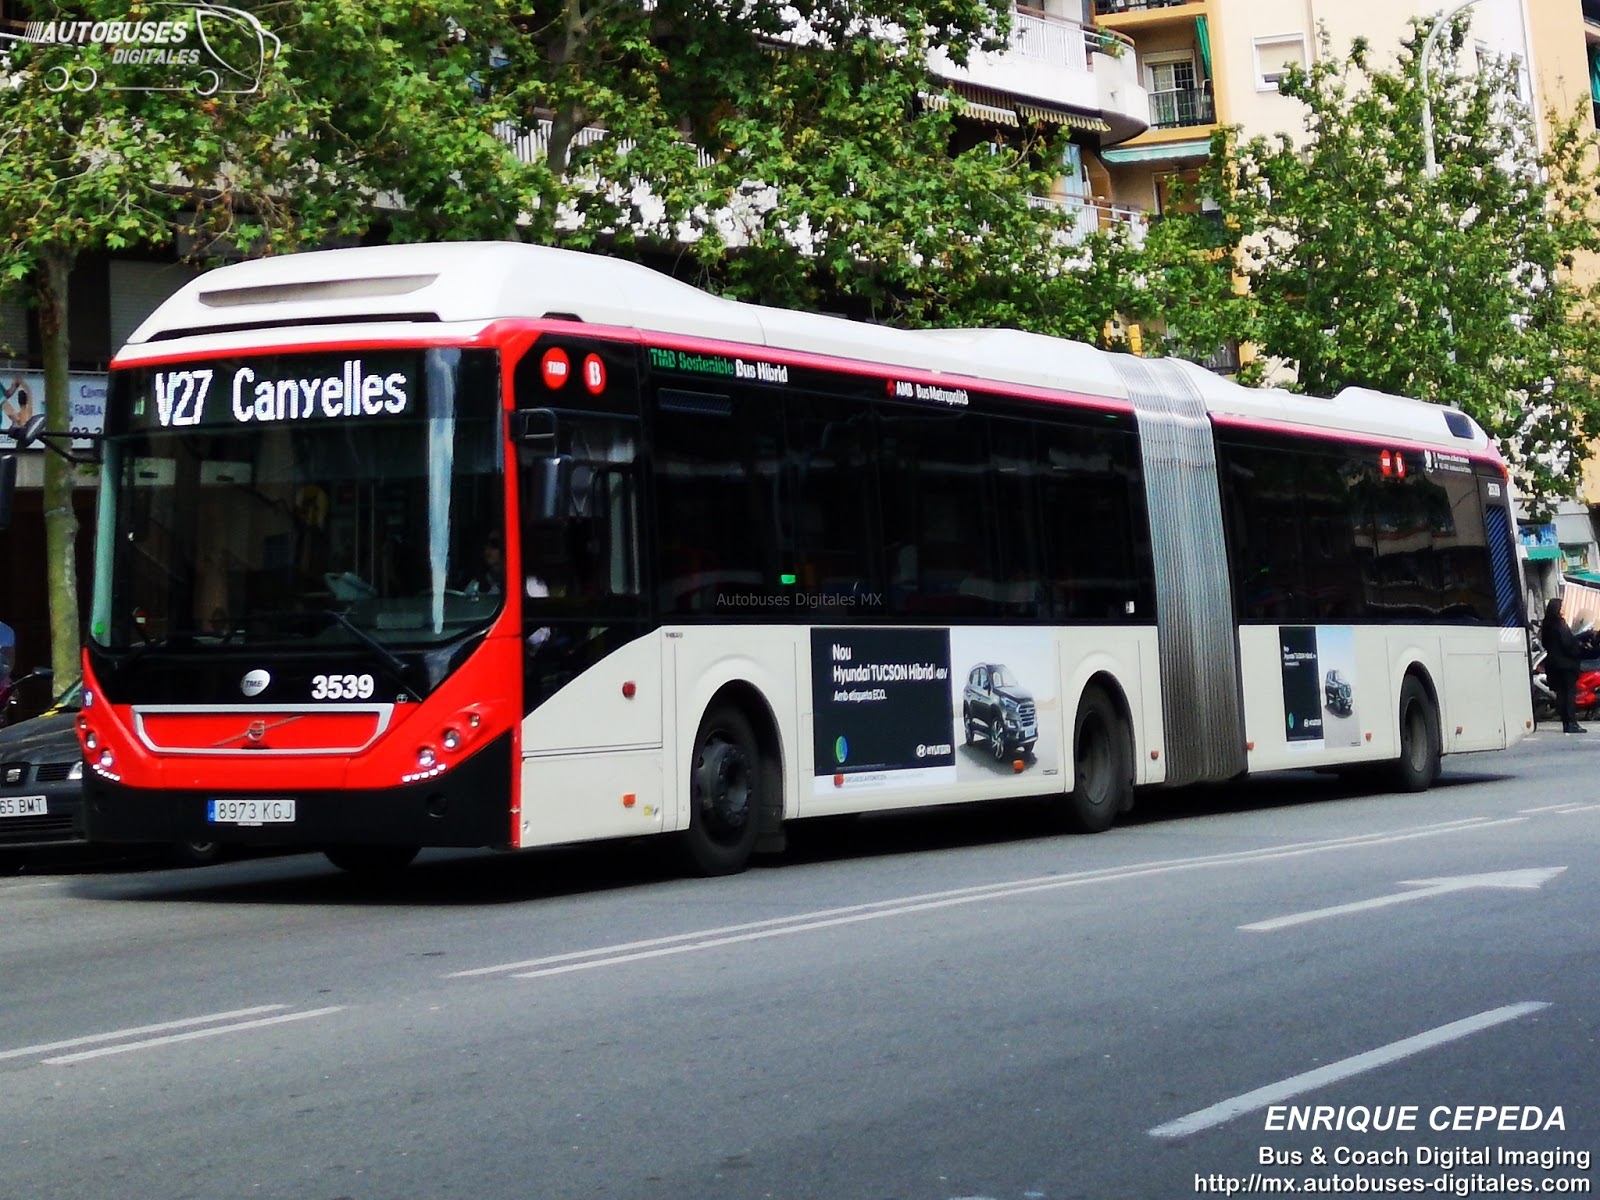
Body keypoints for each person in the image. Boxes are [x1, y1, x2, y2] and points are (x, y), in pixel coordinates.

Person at [1539, 598, 1586, 734]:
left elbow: (1545, 644)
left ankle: (1566, 723)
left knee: (1561, 694)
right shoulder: (1560, 624)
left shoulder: (1547, 625)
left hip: (1553, 664)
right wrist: (1578, 650)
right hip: (1566, 665)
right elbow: (1568, 644)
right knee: (1569, 694)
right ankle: (1572, 723)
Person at [464, 531, 505, 596]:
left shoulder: (516, 585)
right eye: (487, 544)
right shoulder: (476, 584)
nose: (487, 549)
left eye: (494, 544)